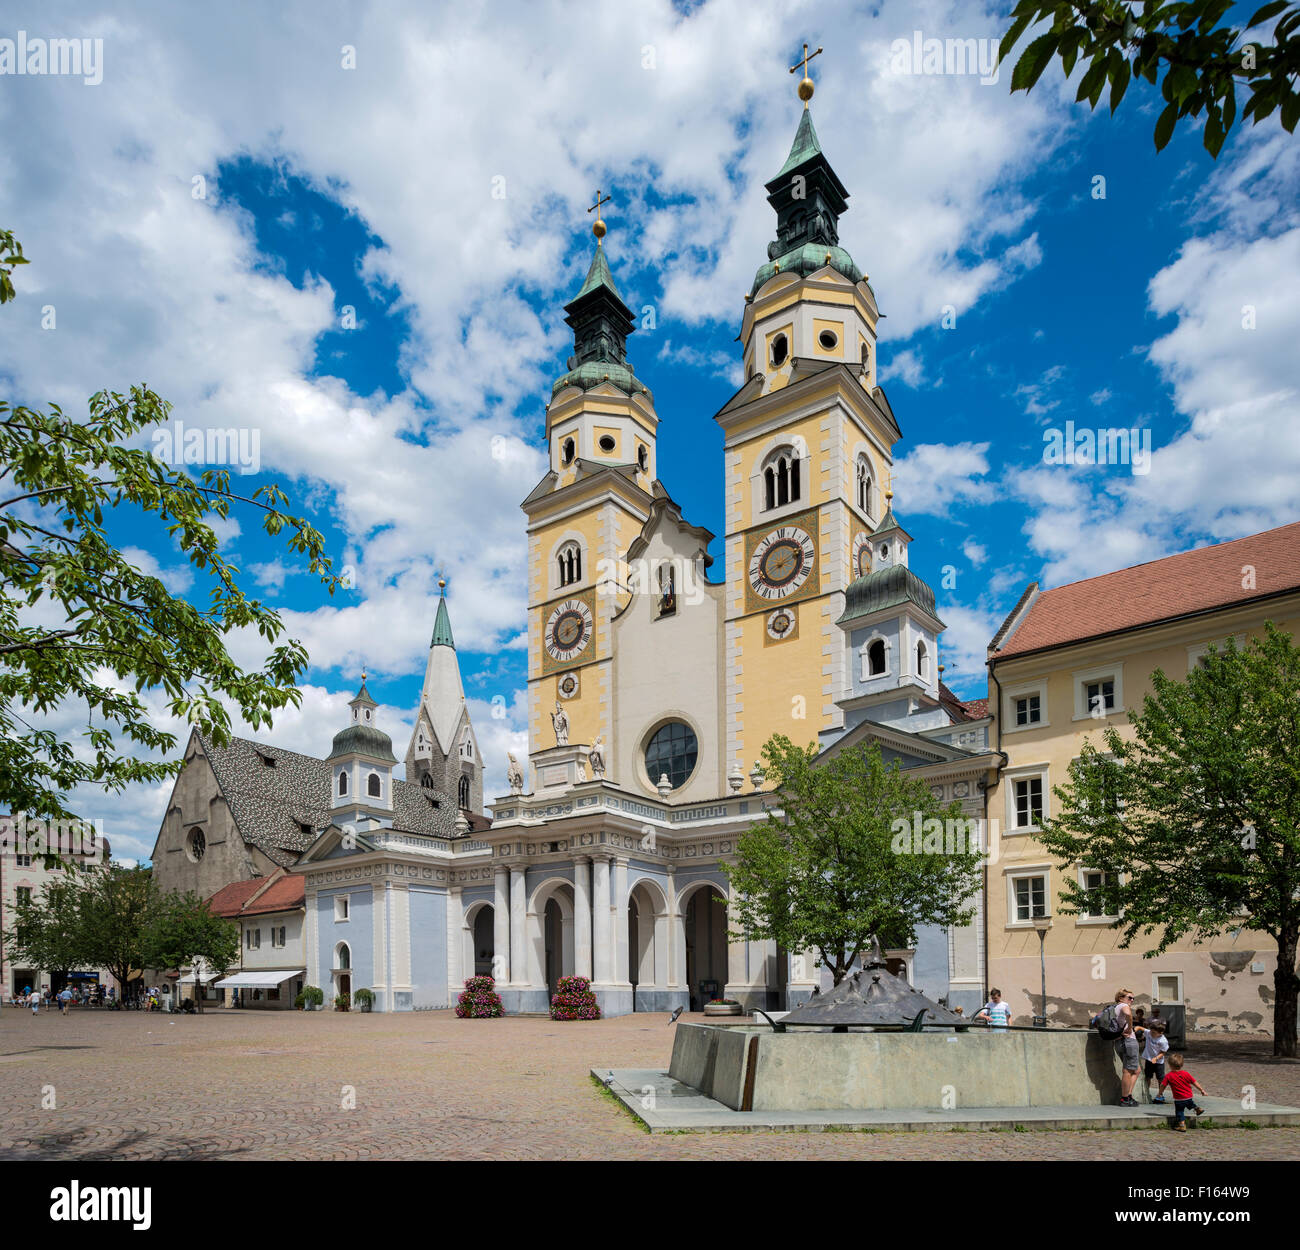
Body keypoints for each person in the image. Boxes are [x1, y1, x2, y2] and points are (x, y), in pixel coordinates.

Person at [1159, 1053, 1207, 1130]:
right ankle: (1197, 1108)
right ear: (1182, 1065)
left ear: (1170, 1065)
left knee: (1180, 1111)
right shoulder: (1186, 1074)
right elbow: (1194, 1082)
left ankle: (1182, 1125)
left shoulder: (1169, 1076)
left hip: (1179, 1099)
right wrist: (1202, 1090)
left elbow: (1163, 1085)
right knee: (1189, 1103)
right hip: (1188, 1096)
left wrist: (1160, 1093)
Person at [1111, 988, 1142, 1107]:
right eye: (1130, 997)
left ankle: (1128, 1095)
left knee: (1136, 1069)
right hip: (1128, 1041)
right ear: (1121, 998)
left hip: (1120, 1042)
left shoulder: (1115, 1008)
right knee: (1128, 1070)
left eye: (1133, 998)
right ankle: (1125, 1099)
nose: (1132, 1000)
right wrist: (1130, 1028)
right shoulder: (1123, 1006)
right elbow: (1129, 1014)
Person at [1142, 1020, 1170, 1102]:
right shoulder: (1149, 1033)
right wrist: (1137, 1028)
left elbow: (1163, 1052)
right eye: (1151, 1031)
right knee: (1147, 1077)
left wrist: (1156, 1058)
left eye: (1153, 1032)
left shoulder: (1163, 1041)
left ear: (1160, 1033)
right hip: (1149, 1060)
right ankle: (1147, 1092)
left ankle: (1160, 1094)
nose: (1151, 1033)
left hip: (1158, 1063)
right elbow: (1142, 1029)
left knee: (1160, 1079)